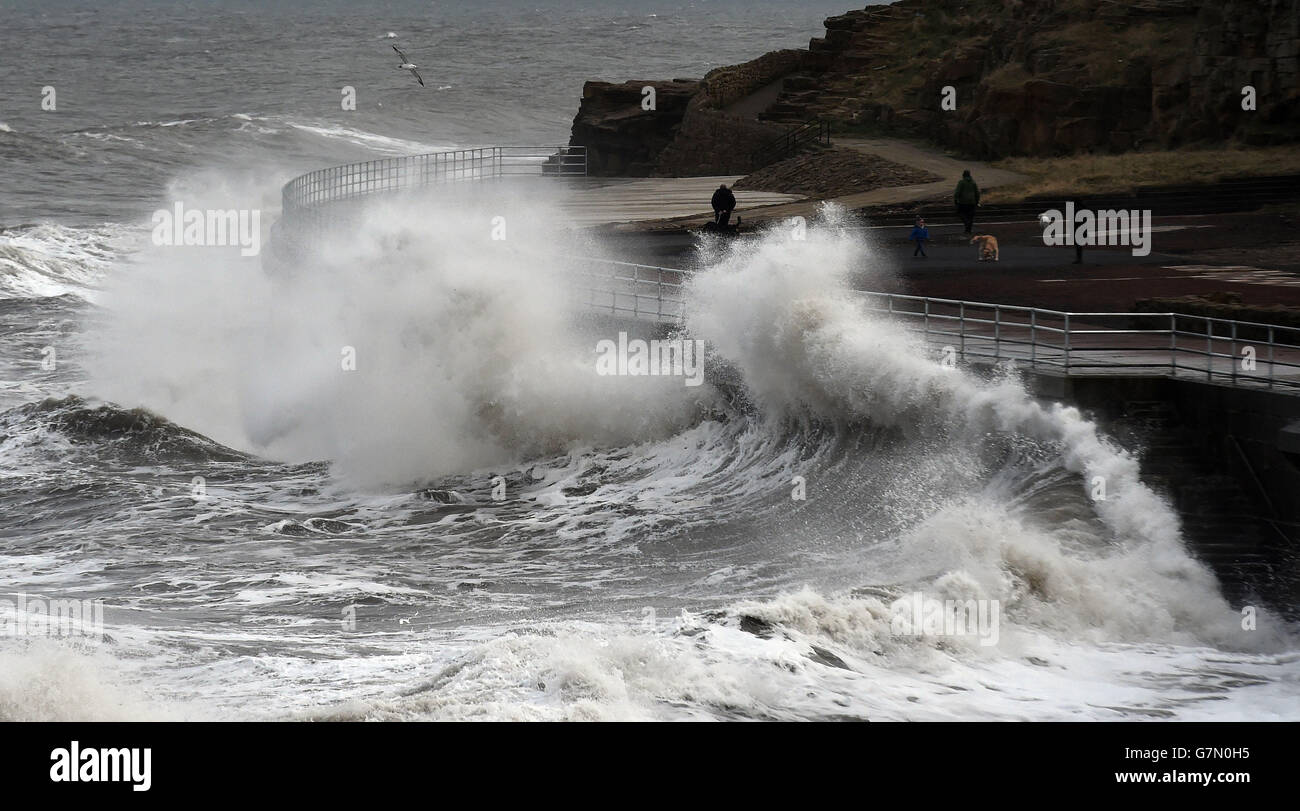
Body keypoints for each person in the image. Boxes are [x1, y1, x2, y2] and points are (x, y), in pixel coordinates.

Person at [954, 170, 980, 234]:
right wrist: (977, 201)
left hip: (963, 202)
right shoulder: (973, 183)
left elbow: (957, 192)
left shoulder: (961, 182)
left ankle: (966, 223)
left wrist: (956, 199)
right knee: (970, 216)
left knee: (960, 213)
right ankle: (968, 230)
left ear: (963, 175)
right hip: (972, 202)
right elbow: (977, 193)